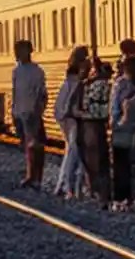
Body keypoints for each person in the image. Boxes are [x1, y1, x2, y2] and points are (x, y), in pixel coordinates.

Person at [10, 39, 47, 189]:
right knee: (27, 146)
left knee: (35, 146)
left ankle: (36, 176)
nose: (18, 54)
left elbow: (42, 93)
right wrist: (13, 111)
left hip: (32, 112)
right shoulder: (16, 71)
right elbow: (15, 93)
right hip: (20, 112)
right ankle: (31, 175)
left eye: (21, 50)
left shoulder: (37, 71)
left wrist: (38, 110)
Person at [109, 56, 135, 210]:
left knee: (121, 165)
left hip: (122, 130)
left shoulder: (120, 85)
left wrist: (114, 122)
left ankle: (121, 199)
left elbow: (114, 107)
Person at [53, 46, 89, 198]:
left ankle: (63, 185)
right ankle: (69, 187)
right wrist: (83, 114)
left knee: (70, 151)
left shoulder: (69, 78)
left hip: (63, 116)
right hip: (70, 119)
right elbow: (72, 105)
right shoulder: (78, 82)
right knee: (73, 151)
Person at [77, 57, 112, 207]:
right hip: (96, 124)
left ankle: (100, 192)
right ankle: (99, 191)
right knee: (98, 159)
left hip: (92, 123)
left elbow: (91, 106)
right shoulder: (99, 84)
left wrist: (79, 113)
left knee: (94, 159)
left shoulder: (97, 85)